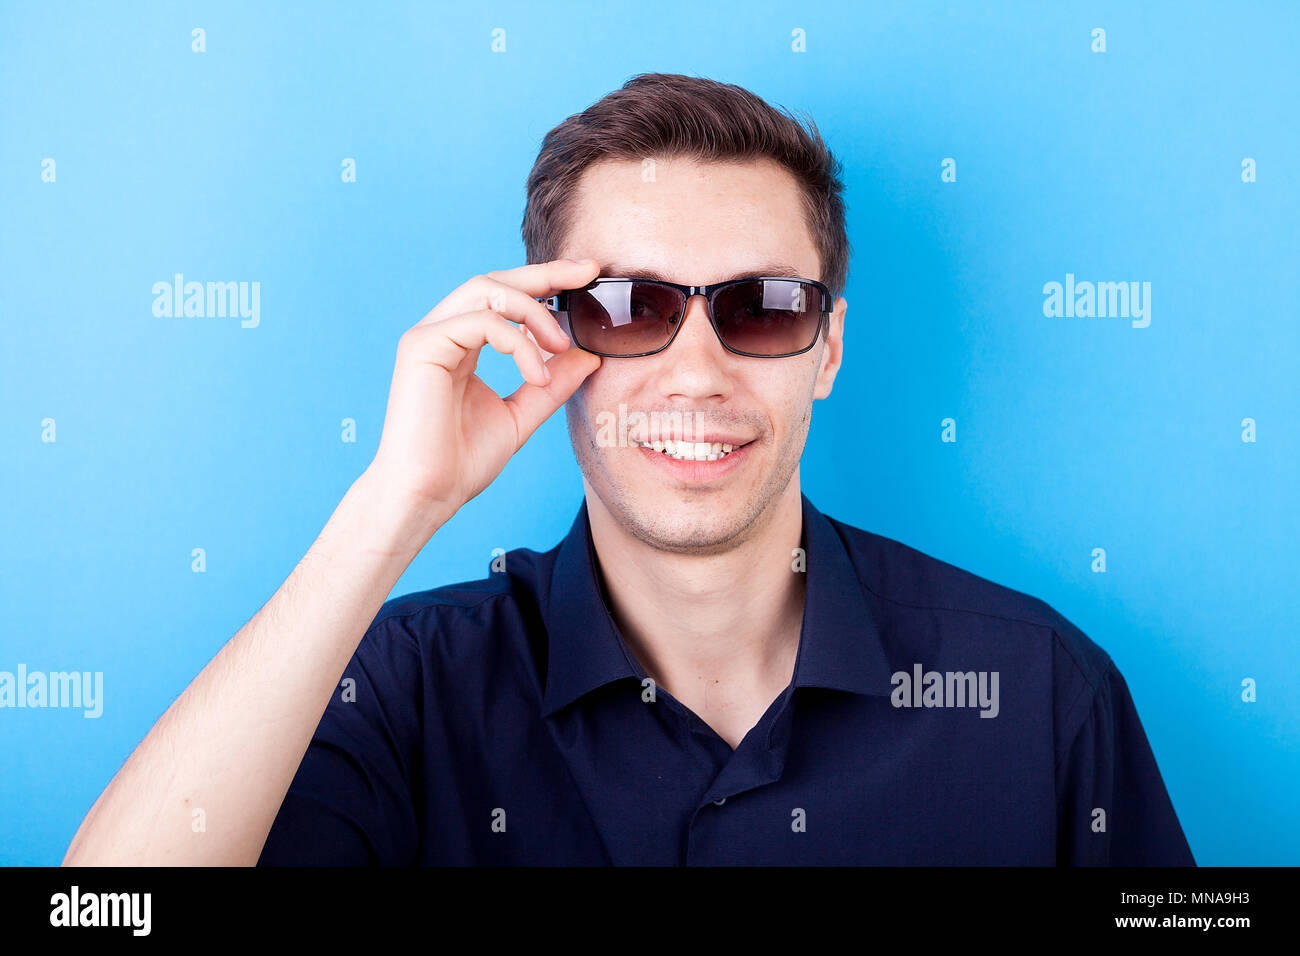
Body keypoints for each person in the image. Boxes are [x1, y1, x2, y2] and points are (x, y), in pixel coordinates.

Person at [63, 73, 1194, 866]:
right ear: (546, 334)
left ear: (827, 348)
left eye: (761, 309)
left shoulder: (1041, 691)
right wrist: (393, 506)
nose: (695, 373)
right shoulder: (405, 688)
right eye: (627, 308)